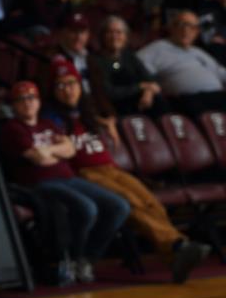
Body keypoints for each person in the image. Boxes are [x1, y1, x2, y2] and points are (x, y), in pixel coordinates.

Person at [45, 69, 205, 283]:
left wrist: (108, 123)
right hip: (85, 173)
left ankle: (176, 254)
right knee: (132, 203)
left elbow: (107, 107)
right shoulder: (51, 118)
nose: (68, 90)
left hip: (111, 168)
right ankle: (177, 246)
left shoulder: (87, 110)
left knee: (151, 202)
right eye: (61, 85)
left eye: (72, 83)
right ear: (53, 90)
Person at [0, 81, 130, 286]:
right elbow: (39, 159)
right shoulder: (12, 129)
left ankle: (87, 259)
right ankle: (75, 258)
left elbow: (71, 150)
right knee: (87, 208)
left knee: (119, 206)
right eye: (21, 99)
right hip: (39, 183)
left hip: (69, 178)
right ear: (13, 105)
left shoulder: (48, 124)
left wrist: (51, 152)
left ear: (39, 101)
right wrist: (56, 151)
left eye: (32, 98)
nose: (28, 103)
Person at [135, 9, 226, 114]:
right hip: (186, 100)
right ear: (172, 28)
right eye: (182, 25)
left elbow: (220, 72)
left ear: (196, 32)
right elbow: (136, 69)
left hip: (216, 96)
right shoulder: (158, 48)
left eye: (192, 27)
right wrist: (149, 88)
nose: (186, 30)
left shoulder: (198, 52)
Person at [91, 14, 159, 117]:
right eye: (110, 32)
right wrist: (140, 87)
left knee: (158, 99)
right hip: (114, 108)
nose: (115, 36)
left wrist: (148, 92)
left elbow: (150, 81)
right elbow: (110, 93)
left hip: (138, 105)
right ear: (102, 36)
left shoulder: (129, 56)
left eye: (119, 32)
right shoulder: (95, 60)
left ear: (126, 37)